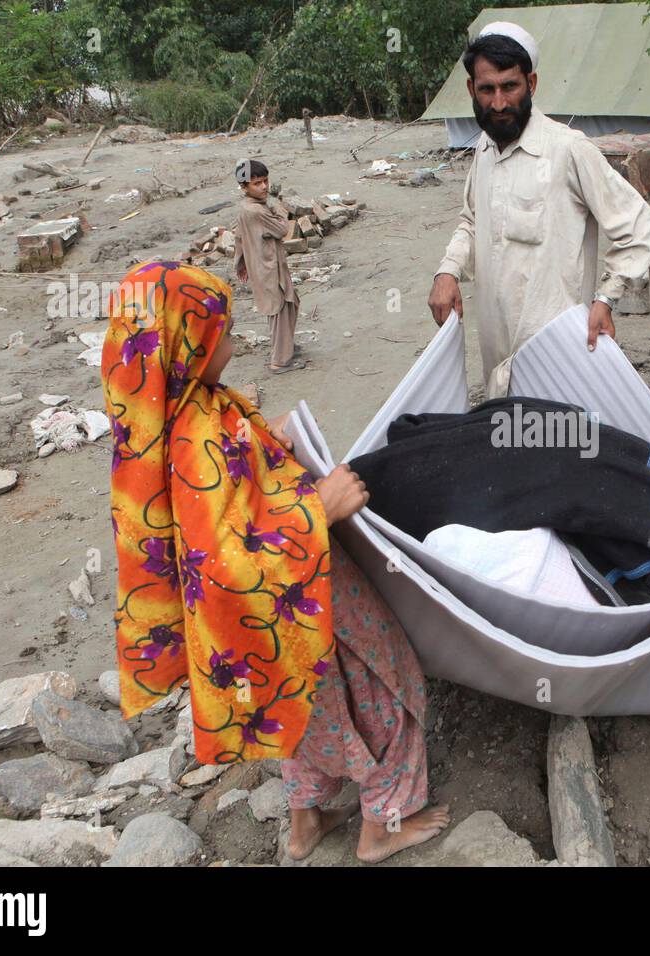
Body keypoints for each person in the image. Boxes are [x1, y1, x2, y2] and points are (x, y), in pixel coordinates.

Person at [103, 260, 449, 863]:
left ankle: (305, 821)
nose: (233, 345)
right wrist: (322, 507)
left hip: (260, 633)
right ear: (185, 343)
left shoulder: (174, 416)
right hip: (300, 594)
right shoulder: (195, 440)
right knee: (385, 682)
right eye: (222, 334)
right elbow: (229, 560)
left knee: (306, 705)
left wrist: (269, 444)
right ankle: (385, 823)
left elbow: (225, 505)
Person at [427, 21, 650, 398]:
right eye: (487, 89)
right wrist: (447, 271)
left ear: (531, 84)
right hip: (496, 353)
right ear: (472, 89)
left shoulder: (568, 150)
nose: (498, 103)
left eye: (510, 87)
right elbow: (471, 221)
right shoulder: (484, 150)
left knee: (556, 445)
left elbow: (638, 223)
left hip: (556, 356)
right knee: (509, 439)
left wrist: (606, 299)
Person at [233, 159, 305, 374]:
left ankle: (285, 348)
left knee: (290, 304)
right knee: (280, 309)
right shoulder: (257, 211)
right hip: (268, 267)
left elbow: (239, 238)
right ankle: (280, 361)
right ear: (244, 187)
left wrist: (241, 264)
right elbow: (283, 229)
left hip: (263, 265)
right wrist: (280, 210)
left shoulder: (247, 207)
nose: (264, 187)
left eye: (265, 181)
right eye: (257, 183)